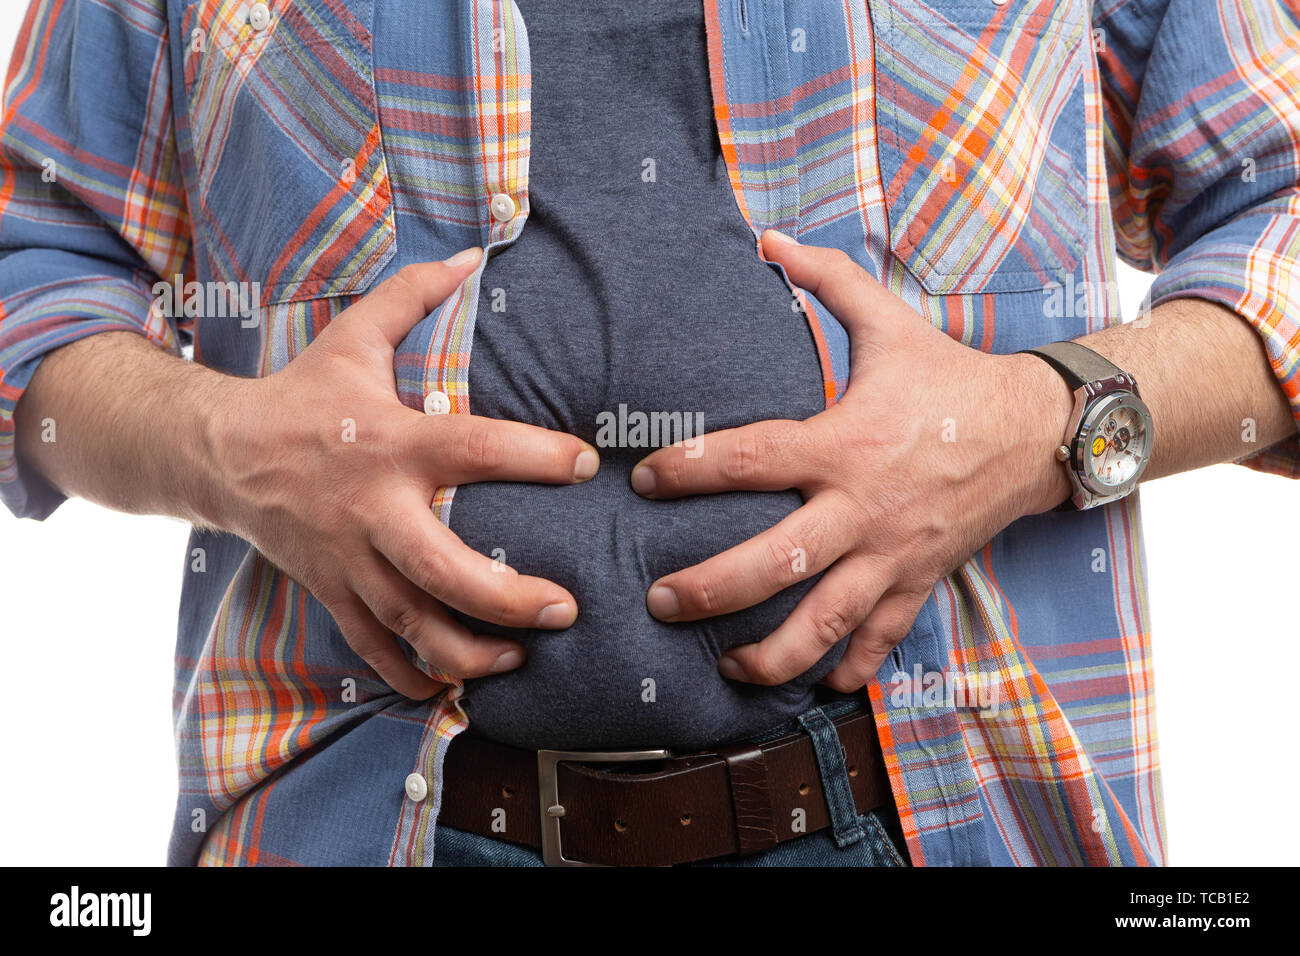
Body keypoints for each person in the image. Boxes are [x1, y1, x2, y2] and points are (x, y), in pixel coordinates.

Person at [1, 0, 1296, 866]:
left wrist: (1044, 420)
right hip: (358, 826)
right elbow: (34, 270)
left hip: (938, 815)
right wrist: (233, 452)